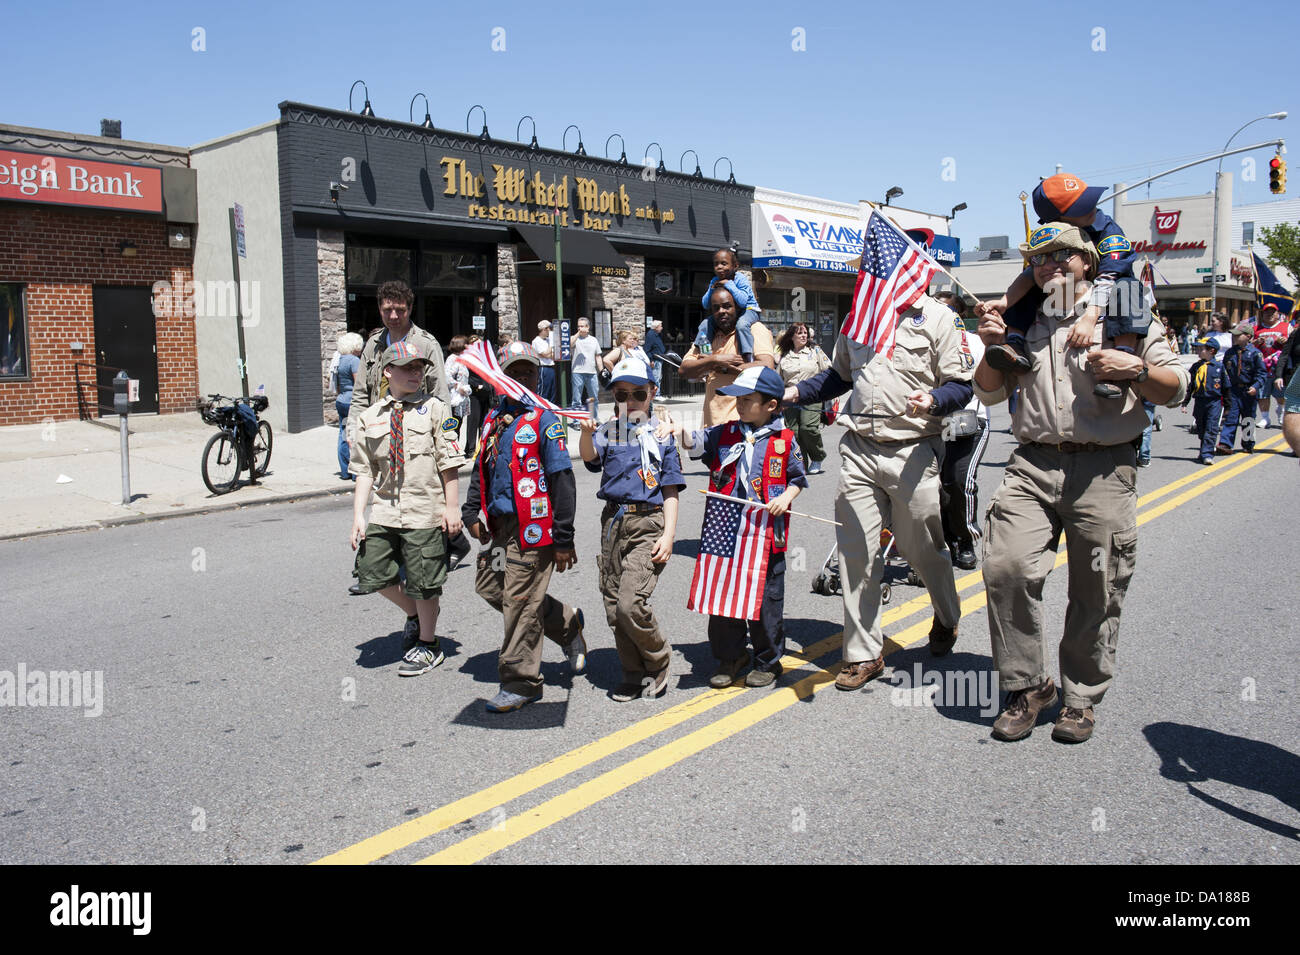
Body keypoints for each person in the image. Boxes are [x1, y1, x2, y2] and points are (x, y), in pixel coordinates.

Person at [974, 223, 1188, 744]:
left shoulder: (1125, 309)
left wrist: (1134, 367)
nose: (1049, 265)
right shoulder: (1022, 315)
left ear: (1086, 262)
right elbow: (989, 393)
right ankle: (1028, 686)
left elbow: (1176, 388)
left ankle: (1080, 698)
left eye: (1061, 256)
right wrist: (991, 348)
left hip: (1104, 467)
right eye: (1039, 258)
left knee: (1097, 586)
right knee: (1006, 567)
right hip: (1033, 463)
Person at [786, 294, 974, 690]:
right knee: (856, 553)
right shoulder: (858, 317)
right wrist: (797, 393)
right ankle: (863, 653)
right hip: (859, 449)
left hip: (914, 448)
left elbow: (961, 386)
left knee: (919, 548)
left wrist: (935, 400)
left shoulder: (940, 318)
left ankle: (946, 615)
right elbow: (839, 377)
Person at [463, 341, 587, 713]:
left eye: (528, 371)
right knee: (491, 585)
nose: (521, 378)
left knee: (519, 600)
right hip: (501, 528)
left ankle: (522, 682)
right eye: (513, 372)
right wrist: (472, 511)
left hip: (534, 530)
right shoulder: (494, 418)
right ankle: (566, 625)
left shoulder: (545, 420)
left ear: (538, 376)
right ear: (499, 377)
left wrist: (564, 537)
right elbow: (479, 467)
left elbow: (563, 480)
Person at [671, 366, 806, 689]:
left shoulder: (783, 440)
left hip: (765, 531)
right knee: (723, 593)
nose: (739, 406)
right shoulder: (726, 432)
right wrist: (679, 431)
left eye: (747, 400)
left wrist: (786, 496)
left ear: (771, 405)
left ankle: (767, 660)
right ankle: (730, 657)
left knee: (766, 599)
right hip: (726, 528)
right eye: (737, 400)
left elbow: (797, 479)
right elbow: (697, 443)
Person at [349, 340, 465, 677]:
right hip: (385, 510)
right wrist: (358, 515)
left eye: (419, 368)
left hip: (424, 509)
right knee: (372, 572)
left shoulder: (436, 410)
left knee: (424, 581)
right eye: (408, 368)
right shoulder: (370, 417)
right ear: (388, 371)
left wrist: (452, 507)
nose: (416, 373)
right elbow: (365, 470)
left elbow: (450, 461)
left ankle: (428, 645)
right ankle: (414, 615)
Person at [578, 356, 684, 702]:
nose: (630, 402)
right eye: (621, 395)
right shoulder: (610, 431)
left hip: (648, 523)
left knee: (630, 602)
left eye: (638, 393)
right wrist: (585, 434)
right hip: (613, 521)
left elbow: (670, 489)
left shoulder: (663, 434)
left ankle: (658, 658)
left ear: (652, 393)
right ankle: (633, 672)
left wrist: (669, 534)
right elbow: (591, 459)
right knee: (612, 604)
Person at [981, 173, 1140, 399]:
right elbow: (1029, 274)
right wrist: (1005, 301)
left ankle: (1120, 360)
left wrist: (1089, 318)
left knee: (1129, 288)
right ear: (1058, 221)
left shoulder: (1107, 230)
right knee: (1031, 286)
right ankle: (1015, 345)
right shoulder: (1053, 238)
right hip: (1064, 297)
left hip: (1109, 289)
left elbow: (1109, 277)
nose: (1091, 207)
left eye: (1087, 199)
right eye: (1079, 207)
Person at [347, 280, 449, 447]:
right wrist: (354, 432)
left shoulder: (426, 344)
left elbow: (440, 394)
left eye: (400, 310)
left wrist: (445, 441)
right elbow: (360, 393)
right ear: (380, 310)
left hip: (416, 437)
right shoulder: (373, 344)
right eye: (387, 310)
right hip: (377, 433)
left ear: (409, 309)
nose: (393, 316)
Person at [931, 294, 990, 570]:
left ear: (960, 313)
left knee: (958, 480)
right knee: (937, 486)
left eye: (948, 309)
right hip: (936, 423)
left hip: (969, 421)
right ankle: (945, 538)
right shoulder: (929, 339)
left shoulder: (975, 342)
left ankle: (966, 538)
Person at [679, 285, 777, 427]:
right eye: (716, 308)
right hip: (710, 427)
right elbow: (684, 370)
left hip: (740, 427)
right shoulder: (707, 335)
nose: (721, 312)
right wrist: (714, 359)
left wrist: (723, 368)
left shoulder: (754, 329)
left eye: (727, 306)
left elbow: (767, 366)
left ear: (737, 307)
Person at [776, 322, 831, 474]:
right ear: (792, 336)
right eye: (799, 333)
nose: (803, 335)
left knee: (808, 428)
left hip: (812, 395)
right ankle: (802, 463)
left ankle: (817, 456)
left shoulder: (815, 351)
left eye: (805, 333)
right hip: (790, 397)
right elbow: (778, 378)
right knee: (794, 431)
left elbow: (830, 370)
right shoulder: (785, 355)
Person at [695, 246, 760, 361]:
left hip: (749, 310)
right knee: (705, 324)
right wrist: (711, 289)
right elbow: (705, 304)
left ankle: (746, 356)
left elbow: (742, 302)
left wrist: (729, 284)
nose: (719, 267)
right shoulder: (714, 280)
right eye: (716, 264)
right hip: (730, 313)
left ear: (735, 266)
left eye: (724, 263)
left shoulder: (740, 279)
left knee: (742, 324)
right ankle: (704, 353)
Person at [1216, 322, 1268, 454]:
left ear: (1248, 336)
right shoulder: (1230, 352)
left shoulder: (1255, 354)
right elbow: (1224, 371)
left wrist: (1256, 386)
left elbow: (1262, 373)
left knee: (1248, 418)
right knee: (1231, 417)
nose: (1235, 337)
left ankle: (1248, 443)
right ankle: (1225, 444)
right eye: (1234, 335)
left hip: (1248, 391)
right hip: (1233, 390)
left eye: (1238, 335)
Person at [1182, 337, 1228, 465]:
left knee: (1211, 428)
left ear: (1211, 351)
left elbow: (1226, 388)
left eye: (1201, 349)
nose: (1198, 351)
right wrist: (1185, 402)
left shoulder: (1219, 367)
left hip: (1214, 401)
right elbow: (1190, 386)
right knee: (1201, 428)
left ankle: (1207, 454)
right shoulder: (1196, 367)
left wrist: (1228, 407)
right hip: (1200, 401)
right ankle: (1203, 451)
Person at [1253, 304, 1290, 428]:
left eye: (1272, 312)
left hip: (1280, 367)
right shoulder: (1256, 329)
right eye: (1266, 312)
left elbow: (1294, 342)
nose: (1269, 314)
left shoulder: (1286, 327)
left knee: (1281, 393)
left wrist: (1285, 341)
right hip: (1262, 366)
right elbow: (1249, 346)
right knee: (1263, 393)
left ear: (1278, 314)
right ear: (1262, 315)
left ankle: (1281, 411)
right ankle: (1265, 418)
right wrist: (1256, 342)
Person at [332, 332, 363, 480]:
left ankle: (345, 470)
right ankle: (356, 472)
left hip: (341, 400)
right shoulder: (354, 361)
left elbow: (337, 385)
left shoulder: (339, 360)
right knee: (355, 436)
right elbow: (359, 385)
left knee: (343, 435)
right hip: (352, 402)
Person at [569, 317, 602, 417]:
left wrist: (601, 371)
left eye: (582, 326)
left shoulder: (593, 340)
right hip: (577, 372)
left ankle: (594, 418)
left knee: (593, 398)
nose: (580, 328)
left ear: (588, 327)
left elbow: (598, 356)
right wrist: (578, 333)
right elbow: (569, 344)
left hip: (591, 372)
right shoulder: (574, 338)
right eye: (578, 326)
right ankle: (576, 420)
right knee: (576, 399)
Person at [532, 320, 558, 403]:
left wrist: (549, 353)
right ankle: (541, 410)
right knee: (544, 390)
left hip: (551, 366)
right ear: (543, 329)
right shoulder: (536, 341)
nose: (550, 331)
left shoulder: (548, 340)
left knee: (552, 391)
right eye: (548, 329)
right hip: (543, 368)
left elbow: (555, 355)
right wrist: (551, 347)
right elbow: (546, 354)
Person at [644, 320, 668, 396]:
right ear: (656, 327)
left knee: (658, 377)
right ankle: (656, 395)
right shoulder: (651, 335)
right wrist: (651, 360)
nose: (662, 328)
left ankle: (657, 393)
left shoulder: (656, 334)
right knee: (655, 378)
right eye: (660, 326)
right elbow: (647, 349)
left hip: (659, 359)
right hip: (655, 360)